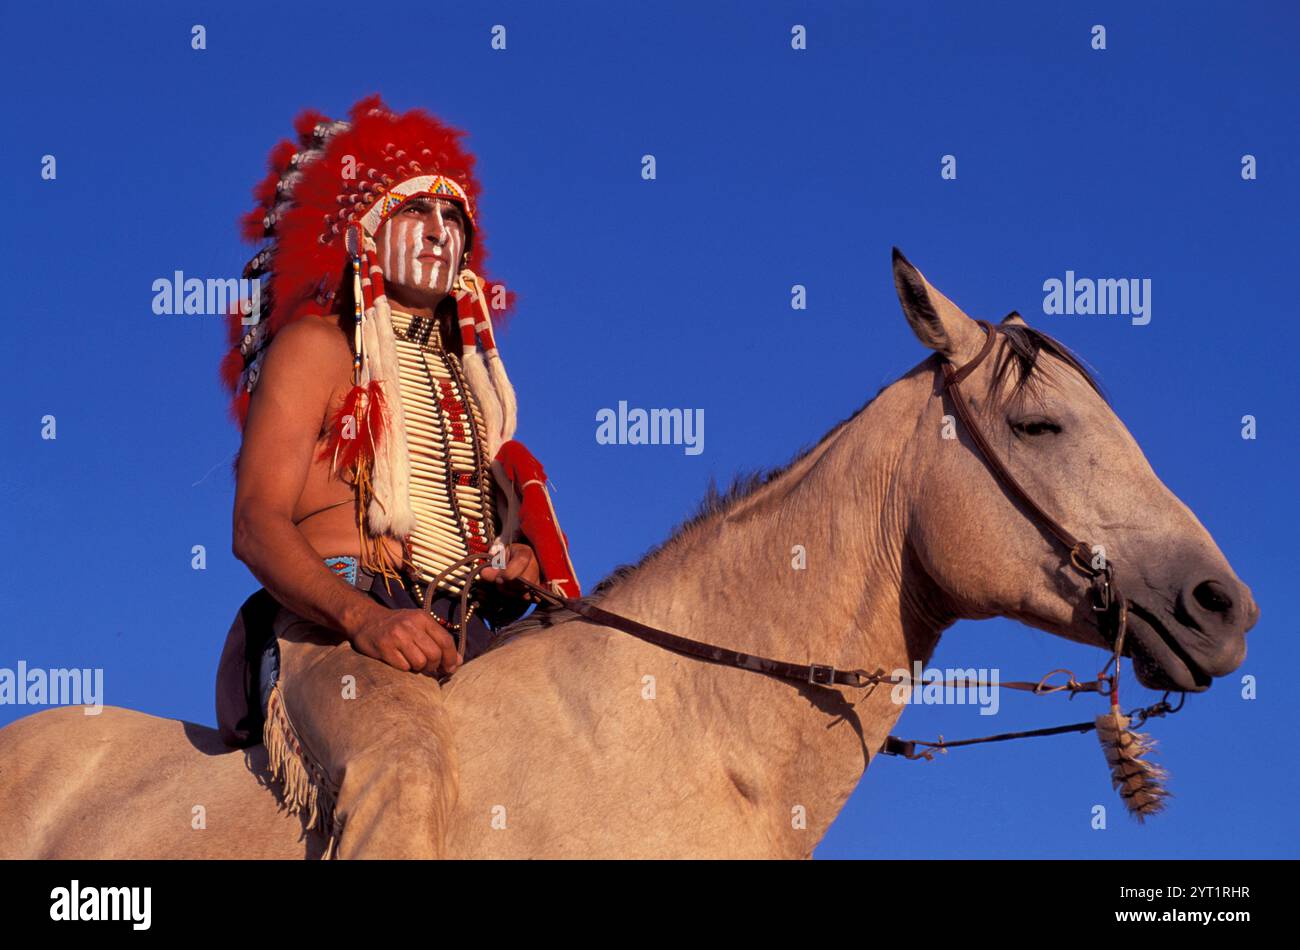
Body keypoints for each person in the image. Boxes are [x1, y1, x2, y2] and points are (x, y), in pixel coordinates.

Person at [213, 96, 581, 859]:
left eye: (455, 220)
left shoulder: (473, 394)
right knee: (403, 766)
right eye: (417, 213)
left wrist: (514, 565)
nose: (441, 233)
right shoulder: (315, 349)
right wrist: (365, 620)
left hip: (465, 633)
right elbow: (255, 524)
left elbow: (494, 545)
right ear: (367, 234)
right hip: (331, 625)